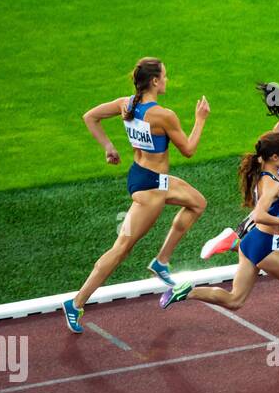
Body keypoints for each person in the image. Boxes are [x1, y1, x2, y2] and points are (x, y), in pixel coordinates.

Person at [63, 58, 209, 333]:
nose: (167, 80)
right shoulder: (163, 115)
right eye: (165, 76)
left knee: (197, 203)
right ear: (154, 81)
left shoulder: (125, 104)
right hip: (150, 189)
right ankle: (76, 302)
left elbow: (89, 116)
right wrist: (200, 120)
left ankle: (161, 260)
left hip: (146, 176)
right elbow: (188, 150)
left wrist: (109, 147)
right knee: (121, 249)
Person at [163, 132, 279, 348]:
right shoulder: (272, 184)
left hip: (252, 243)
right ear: (275, 157)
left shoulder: (269, 176)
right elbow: (259, 214)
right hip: (267, 247)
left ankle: (187, 291)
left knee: (235, 300)